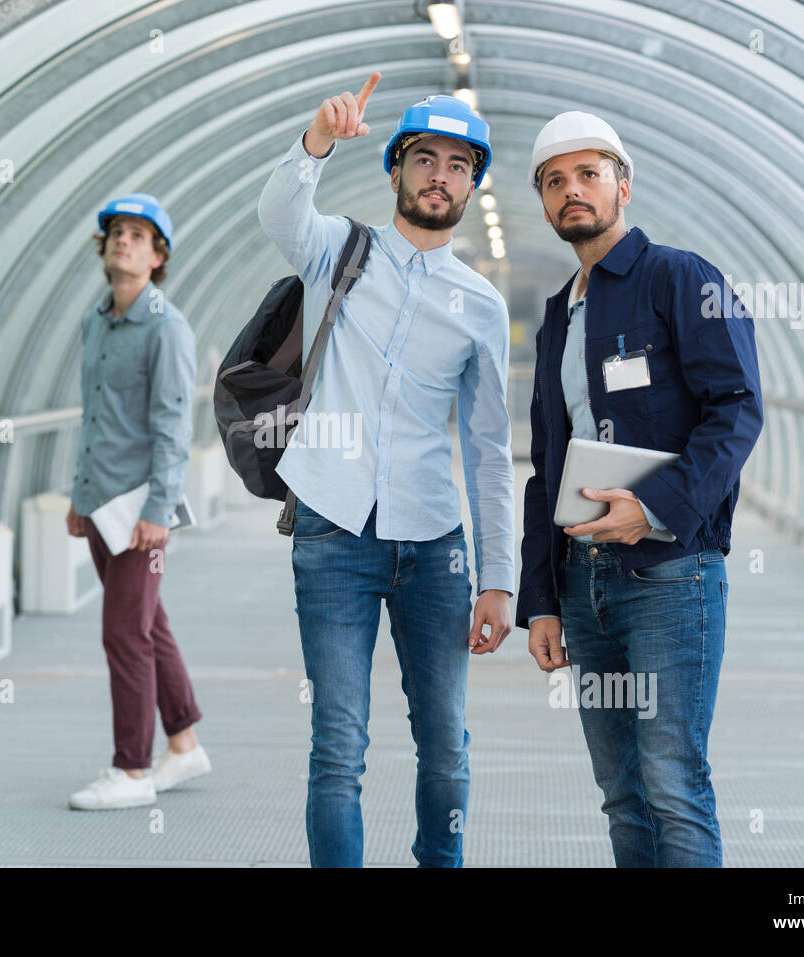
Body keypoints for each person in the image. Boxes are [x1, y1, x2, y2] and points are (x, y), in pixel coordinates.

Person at [258, 73, 516, 867]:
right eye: (425, 158)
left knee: (444, 744)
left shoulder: (481, 303)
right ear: (397, 169)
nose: (441, 174)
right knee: (338, 746)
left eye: (458, 165)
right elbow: (278, 213)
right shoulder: (338, 249)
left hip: (434, 546)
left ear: (471, 185)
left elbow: (488, 446)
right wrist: (316, 142)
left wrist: (498, 577)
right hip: (332, 532)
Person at [517, 111, 763, 865]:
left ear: (624, 184)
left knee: (673, 785)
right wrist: (541, 601)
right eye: (554, 181)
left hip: (669, 575)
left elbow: (736, 409)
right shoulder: (558, 315)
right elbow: (546, 465)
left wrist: (654, 507)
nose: (572, 191)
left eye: (588, 174)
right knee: (623, 793)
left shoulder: (680, 279)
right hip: (584, 586)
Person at [65, 193, 210, 810]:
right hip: (101, 504)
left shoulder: (167, 328)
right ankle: (183, 747)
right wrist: (78, 497)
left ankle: (130, 771)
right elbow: (93, 415)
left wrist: (159, 510)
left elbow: (174, 425)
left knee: (124, 633)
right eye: (116, 233)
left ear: (158, 256)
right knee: (149, 625)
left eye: (138, 236)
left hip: (138, 511)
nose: (123, 241)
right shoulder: (96, 321)